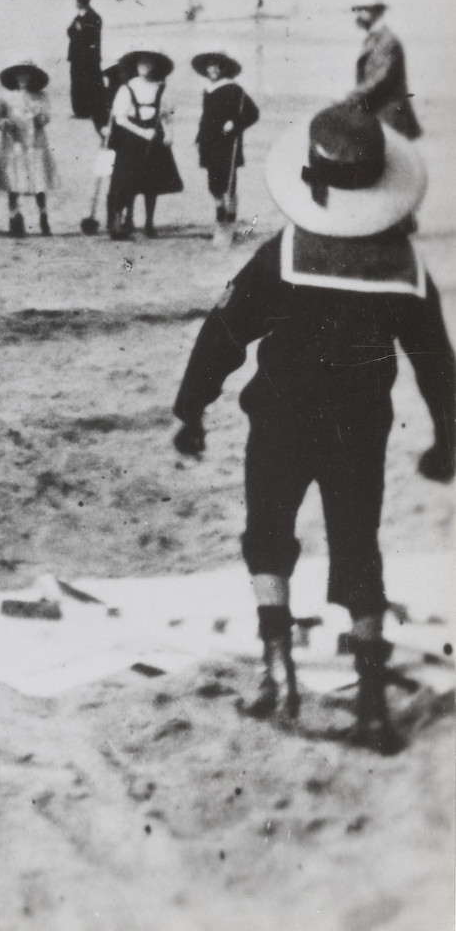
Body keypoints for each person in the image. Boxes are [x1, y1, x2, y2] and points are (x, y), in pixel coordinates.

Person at [171, 103, 454, 752]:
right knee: (357, 547)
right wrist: (446, 439)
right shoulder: (405, 272)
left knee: (266, 535)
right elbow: (438, 366)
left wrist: (190, 409)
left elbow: (224, 335)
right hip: (358, 429)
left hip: (278, 419)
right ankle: (373, 706)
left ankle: (279, 676)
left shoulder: (284, 254)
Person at [106, 49, 184, 238]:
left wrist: (169, 134)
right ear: (135, 65)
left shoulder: (160, 88)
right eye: (141, 63)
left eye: (148, 63)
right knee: (129, 181)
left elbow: (167, 116)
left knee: (152, 183)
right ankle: (128, 220)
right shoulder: (127, 88)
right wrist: (142, 132)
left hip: (155, 138)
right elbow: (120, 118)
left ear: (154, 66)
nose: (144, 67)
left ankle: (149, 223)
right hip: (131, 139)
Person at [0, 58, 57, 236]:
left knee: (38, 180)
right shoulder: (4, 96)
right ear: (14, 76)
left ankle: (43, 217)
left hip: (35, 143)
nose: (23, 78)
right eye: (20, 74)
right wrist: (5, 123)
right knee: (13, 181)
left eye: (27, 74)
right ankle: (14, 218)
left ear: (33, 77)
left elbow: (47, 116)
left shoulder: (41, 96)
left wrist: (41, 118)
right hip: (13, 143)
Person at [193, 50, 260, 227]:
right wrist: (199, 136)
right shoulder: (208, 90)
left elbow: (253, 113)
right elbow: (206, 116)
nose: (213, 70)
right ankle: (219, 210)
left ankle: (231, 213)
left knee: (228, 178)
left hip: (227, 142)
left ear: (223, 69)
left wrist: (234, 123)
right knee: (213, 180)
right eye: (210, 66)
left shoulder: (234, 89)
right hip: (209, 141)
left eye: (217, 66)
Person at [349, 0, 421, 140]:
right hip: (378, 114)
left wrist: (352, 97)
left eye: (363, 10)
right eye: (356, 10)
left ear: (377, 11)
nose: (358, 15)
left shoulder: (387, 41)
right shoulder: (373, 39)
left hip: (390, 119)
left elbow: (380, 78)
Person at [66, 0, 106, 124]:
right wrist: (78, 31)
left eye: (76, 1)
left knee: (91, 82)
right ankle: (80, 110)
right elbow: (70, 32)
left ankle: (93, 110)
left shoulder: (94, 17)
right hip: (77, 56)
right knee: (77, 82)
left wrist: (80, 30)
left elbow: (92, 36)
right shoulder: (79, 16)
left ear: (82, 2)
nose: (75, 3)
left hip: (89, 57)